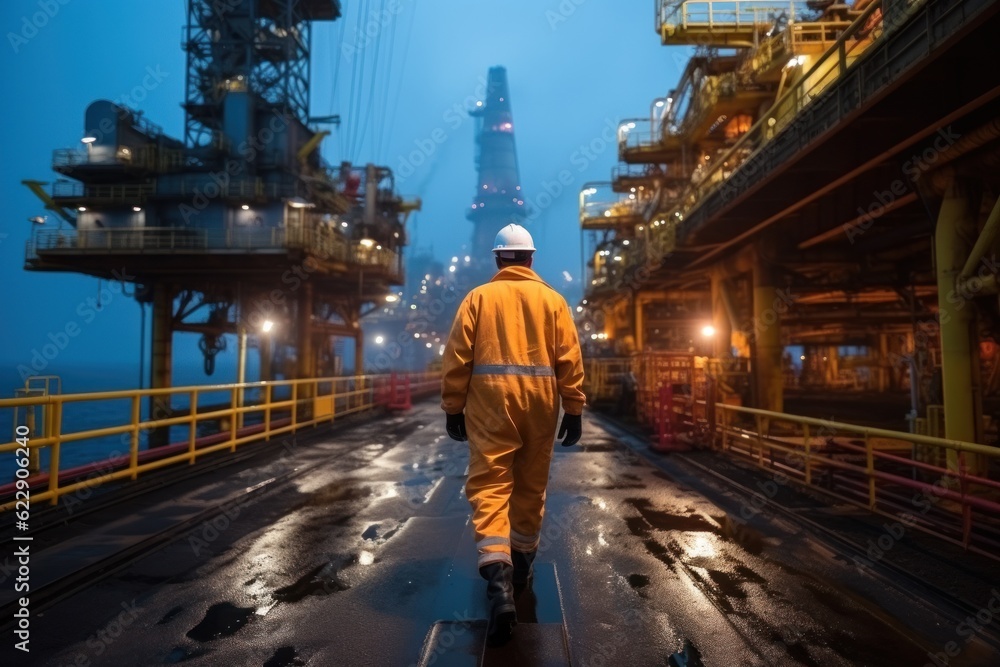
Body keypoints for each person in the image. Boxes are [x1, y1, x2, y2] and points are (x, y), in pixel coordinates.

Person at [441, 223, 585, 646]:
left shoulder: (478, 299)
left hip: (491, 408)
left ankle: (498, 585)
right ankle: (521, 567)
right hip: (540, 407)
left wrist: (454, 408)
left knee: (489, 486)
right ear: (531, 258)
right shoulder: (554, 301)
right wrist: (573, 408)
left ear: (498, 259)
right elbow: (569, 358)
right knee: (530, 486)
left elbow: (456, 359)